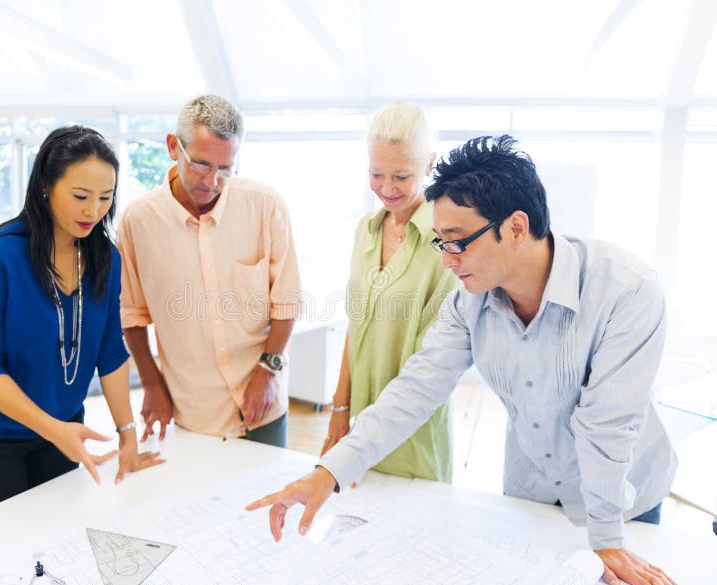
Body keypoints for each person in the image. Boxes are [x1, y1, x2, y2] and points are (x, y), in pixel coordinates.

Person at [248, 135, 678, 585]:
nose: (447, 261)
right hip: (533, 491)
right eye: (441, 243)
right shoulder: (469, 301)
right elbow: (415, 389)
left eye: (457, 242)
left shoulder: (627, 291)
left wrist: (606, 538)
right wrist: (328, 474)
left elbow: (607, 424)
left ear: (516, 227)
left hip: (622, 504)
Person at [0, 126, 164, 519]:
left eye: (105, 197)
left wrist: (127, 434)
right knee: (1, 552)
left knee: (55, 543)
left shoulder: (106, 258)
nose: (93, 211)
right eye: (80, 196)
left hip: (64, 433)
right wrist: (53, 429)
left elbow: (110, 352)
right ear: (45, 187)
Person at [118, 95, 301, 448]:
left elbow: (287, 301)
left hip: (263, 405)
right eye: (201, 164)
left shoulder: (265, 205)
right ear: (174, 147)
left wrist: (268, 370)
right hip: (192, 412)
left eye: (226, 168)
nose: (212, 181)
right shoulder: (137, 221)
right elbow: (132, 314)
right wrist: (152, 384)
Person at [320, 102, 456, 482]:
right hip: (357, 426)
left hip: (413, 434)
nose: (387, 188)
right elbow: (355, 327)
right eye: (376, 173)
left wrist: (367, 433)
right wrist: (340, 410)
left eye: (401, 176)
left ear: (429, 165)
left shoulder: (447, 241)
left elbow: (435, 360)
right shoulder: (365, 230)